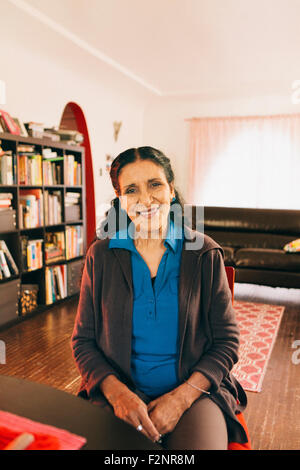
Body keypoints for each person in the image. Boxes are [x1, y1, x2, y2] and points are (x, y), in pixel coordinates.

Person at [71, 146, 249, 450]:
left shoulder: (204, 253)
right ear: (121, 201)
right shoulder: (100, 256)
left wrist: (180, 399)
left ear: (171, 189)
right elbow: (83, 341)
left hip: (195, 394)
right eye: (131, 189)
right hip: (120, 391)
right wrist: (118, 395)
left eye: (155, 184)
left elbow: (227, 341)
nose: (146, 198)